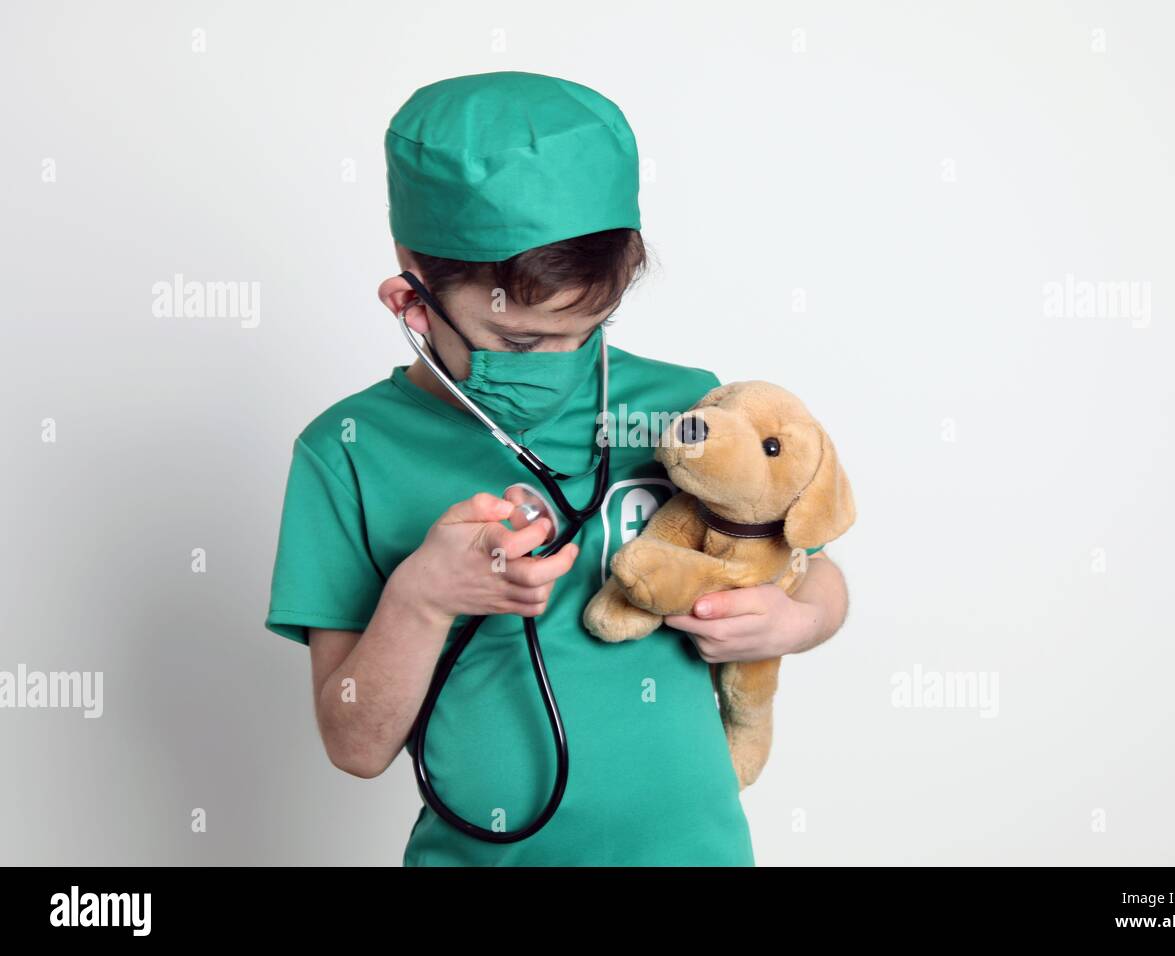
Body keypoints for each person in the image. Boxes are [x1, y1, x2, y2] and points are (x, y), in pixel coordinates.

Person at [264, 71, 850, 866]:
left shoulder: (688, 414)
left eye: (590, 326)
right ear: (411, 289)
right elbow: (354, 743)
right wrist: (422, 597)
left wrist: (800, 620)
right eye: (523, 343)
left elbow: (812, 573)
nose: (565, 360)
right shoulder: (348, 450)